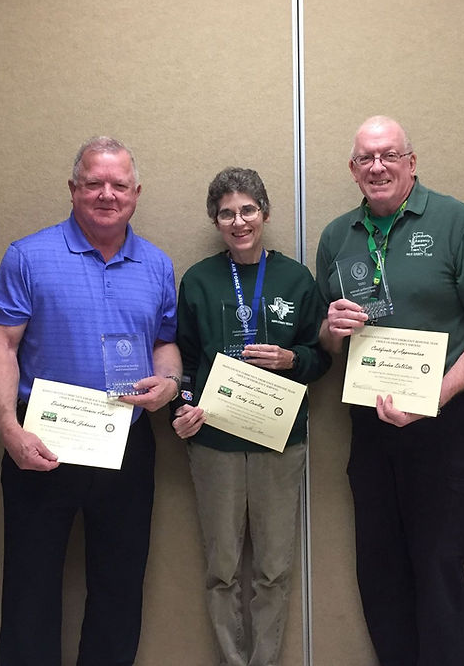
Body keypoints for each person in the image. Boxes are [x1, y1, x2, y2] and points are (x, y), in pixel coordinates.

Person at [316, 115, 464, 666]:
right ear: (353, 170)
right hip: (370, 425)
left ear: (412, 161)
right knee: (379, 569)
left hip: (444, 424)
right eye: (365, 158)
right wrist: (331, 329)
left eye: (389, 154)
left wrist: (436, 396)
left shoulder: (455, 222)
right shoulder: (337, 236)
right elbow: (327, 344)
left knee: (438, 567)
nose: (377, 166)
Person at [0, 136, 180, 666]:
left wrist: (169, 382)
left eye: (119, 185)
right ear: (73, 189)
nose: (107, 194)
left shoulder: (158, 265)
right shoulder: (28, 256)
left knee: (119, 589)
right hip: (41, 442)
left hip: (126, 443)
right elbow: (0, 345)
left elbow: (165, 341)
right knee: (30, 589)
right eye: (94, 183)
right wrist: (8, 429)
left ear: (137, 193)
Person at [172, 167, 331, 666]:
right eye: (226, 213)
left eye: (247, 210)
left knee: (273, 569)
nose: (238, 221)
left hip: (277, 440)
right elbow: (185, 359)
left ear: (264, 213)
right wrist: (183, 404)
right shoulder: (198, 279)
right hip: (213, 442)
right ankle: (231, 660)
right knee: (221, 568)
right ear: (215, 220)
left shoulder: (295, 278)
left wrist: (292, 360)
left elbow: (321, 355)